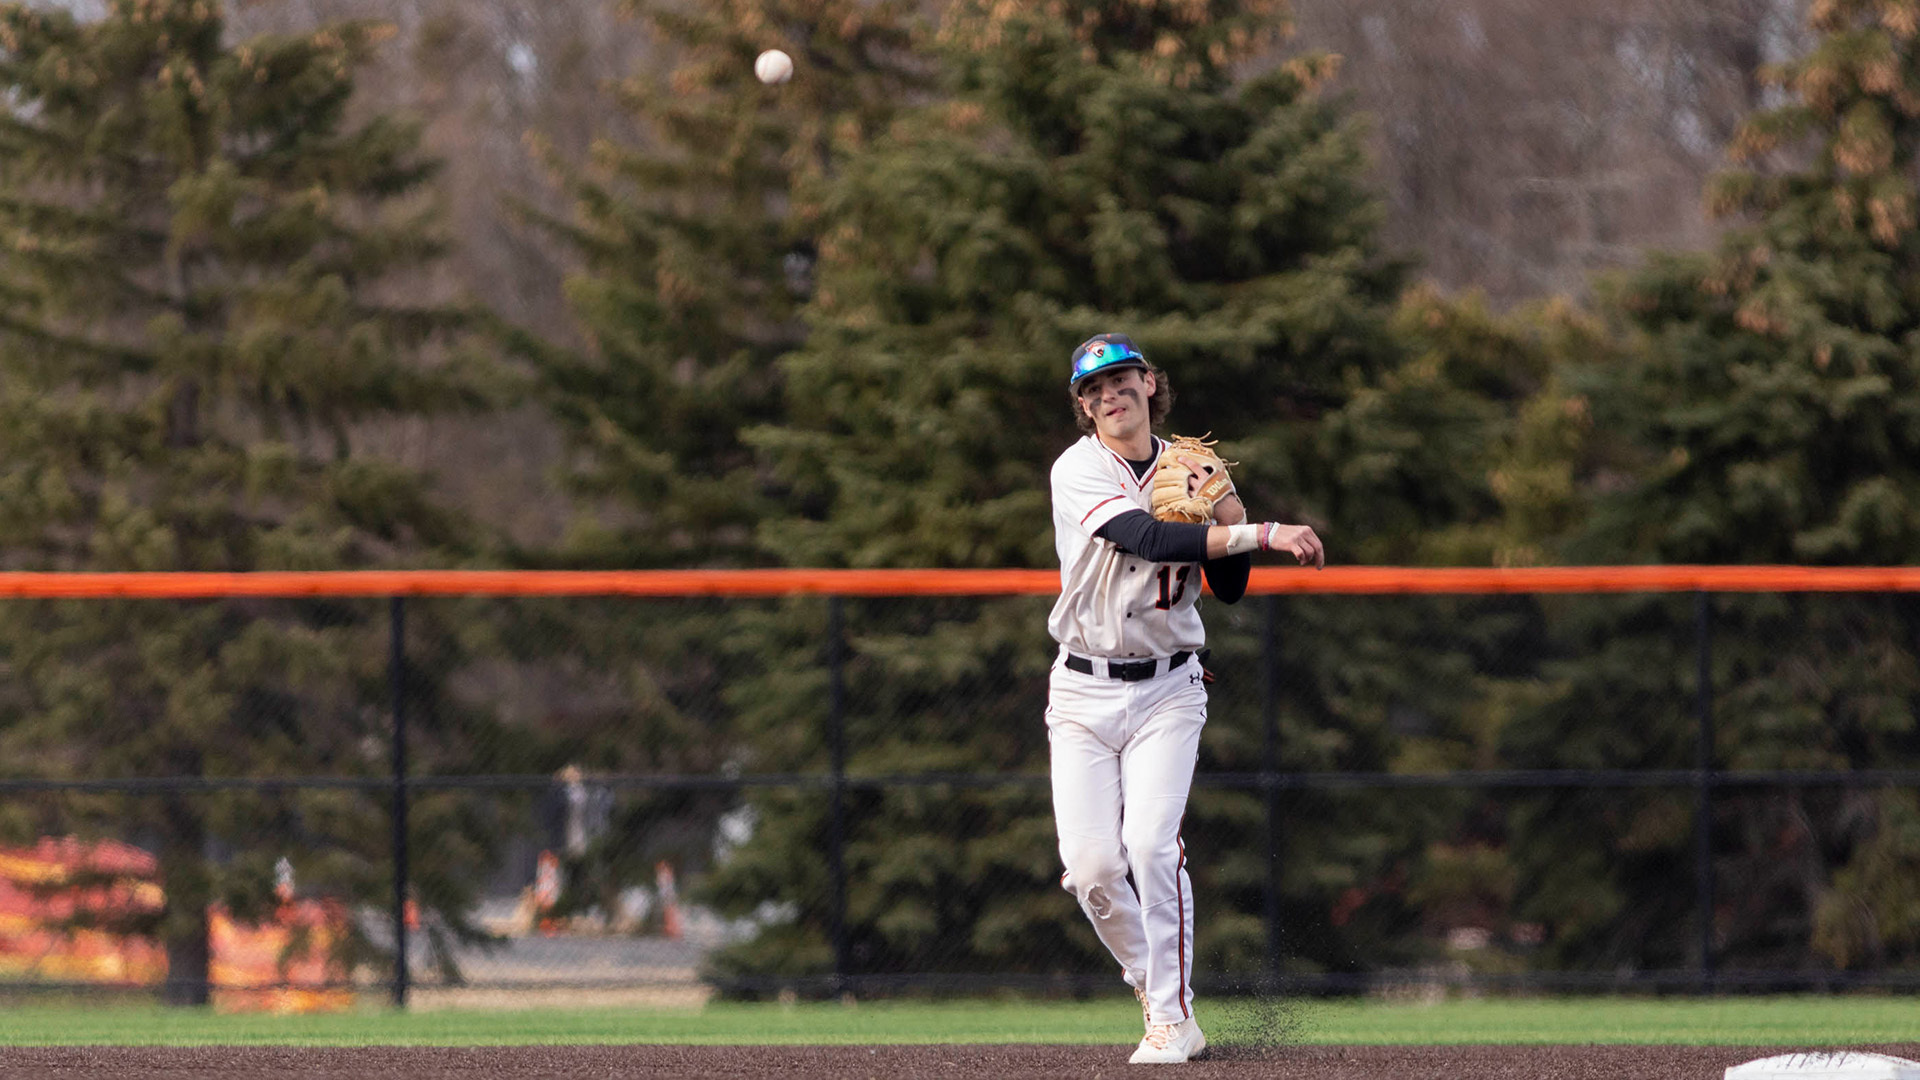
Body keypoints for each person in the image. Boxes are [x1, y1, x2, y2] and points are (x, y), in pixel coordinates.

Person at [1046, 333, 1323, 1065]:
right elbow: (1143, 537)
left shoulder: (1191, 466)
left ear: (1148, 383)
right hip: (1080, 691)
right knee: (1091, 868)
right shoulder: (1078, 468)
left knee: (1150, 846)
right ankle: (1151, 982)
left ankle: (1170, 1018)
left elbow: (1228, 590)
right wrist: (1262, 531)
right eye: (1094, 389)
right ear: (1084, 407)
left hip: (1169, 688)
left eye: (1121, 379)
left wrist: (1227, 508)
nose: (1110, 394)